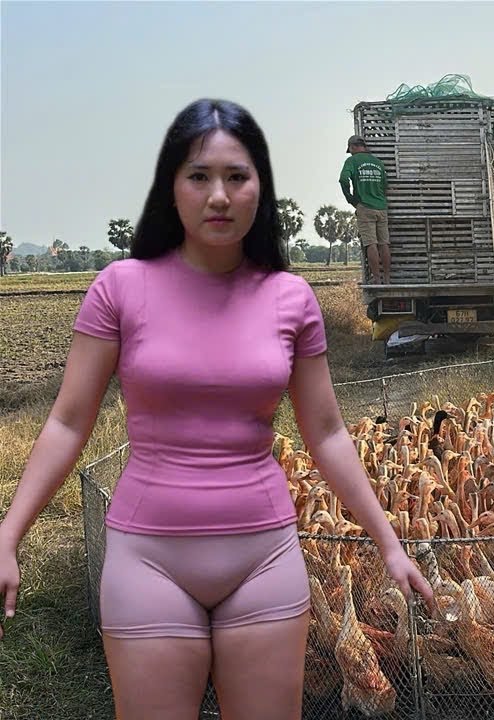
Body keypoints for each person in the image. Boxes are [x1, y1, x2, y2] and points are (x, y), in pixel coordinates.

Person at [0, 99, 434, 719]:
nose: (219, 196)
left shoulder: (290, 299)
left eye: (237, 176)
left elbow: (328, 431)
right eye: (199, 176)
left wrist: (388, 541)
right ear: (171, 188)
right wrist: (10, 533)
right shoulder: (119, 289)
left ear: (261, 188)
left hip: (264, 560)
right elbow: (68, 420)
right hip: (148, 559)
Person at [340, 134, 391, 284]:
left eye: (350, 149)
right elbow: (385, 185)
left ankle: (376, 279)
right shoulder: (378, 163)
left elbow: (343, 179)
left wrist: (351, 199)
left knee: (371, 244)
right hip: (381, 207)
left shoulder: (352, 161)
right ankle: (387, 279)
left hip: (365, 207)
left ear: (353, 147)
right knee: (384, 243)